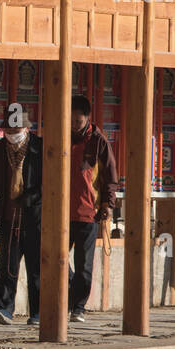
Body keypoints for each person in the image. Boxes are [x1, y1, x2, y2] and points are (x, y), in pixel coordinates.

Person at [0, 115, 43, 325]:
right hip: (8, 218)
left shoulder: (39, 148)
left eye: (16, 132)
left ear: (26, 129)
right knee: (7, 265)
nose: (12, 137)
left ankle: (38, 312)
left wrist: (28, 198)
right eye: (8, 132)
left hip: (34, 218)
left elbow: (50, 182)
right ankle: (3, 308)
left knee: (37, 268)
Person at [68, 96, 118, 323]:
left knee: (83, 265)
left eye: (78, 121)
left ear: (87, 118)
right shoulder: (61, 135)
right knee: (54, 260)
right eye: (71, 119)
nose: (73, 124)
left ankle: (78, 307)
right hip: (60, 212)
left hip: (88, 212)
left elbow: (110, 177)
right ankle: (68, 297)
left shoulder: (98, 141)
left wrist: (108, 204)